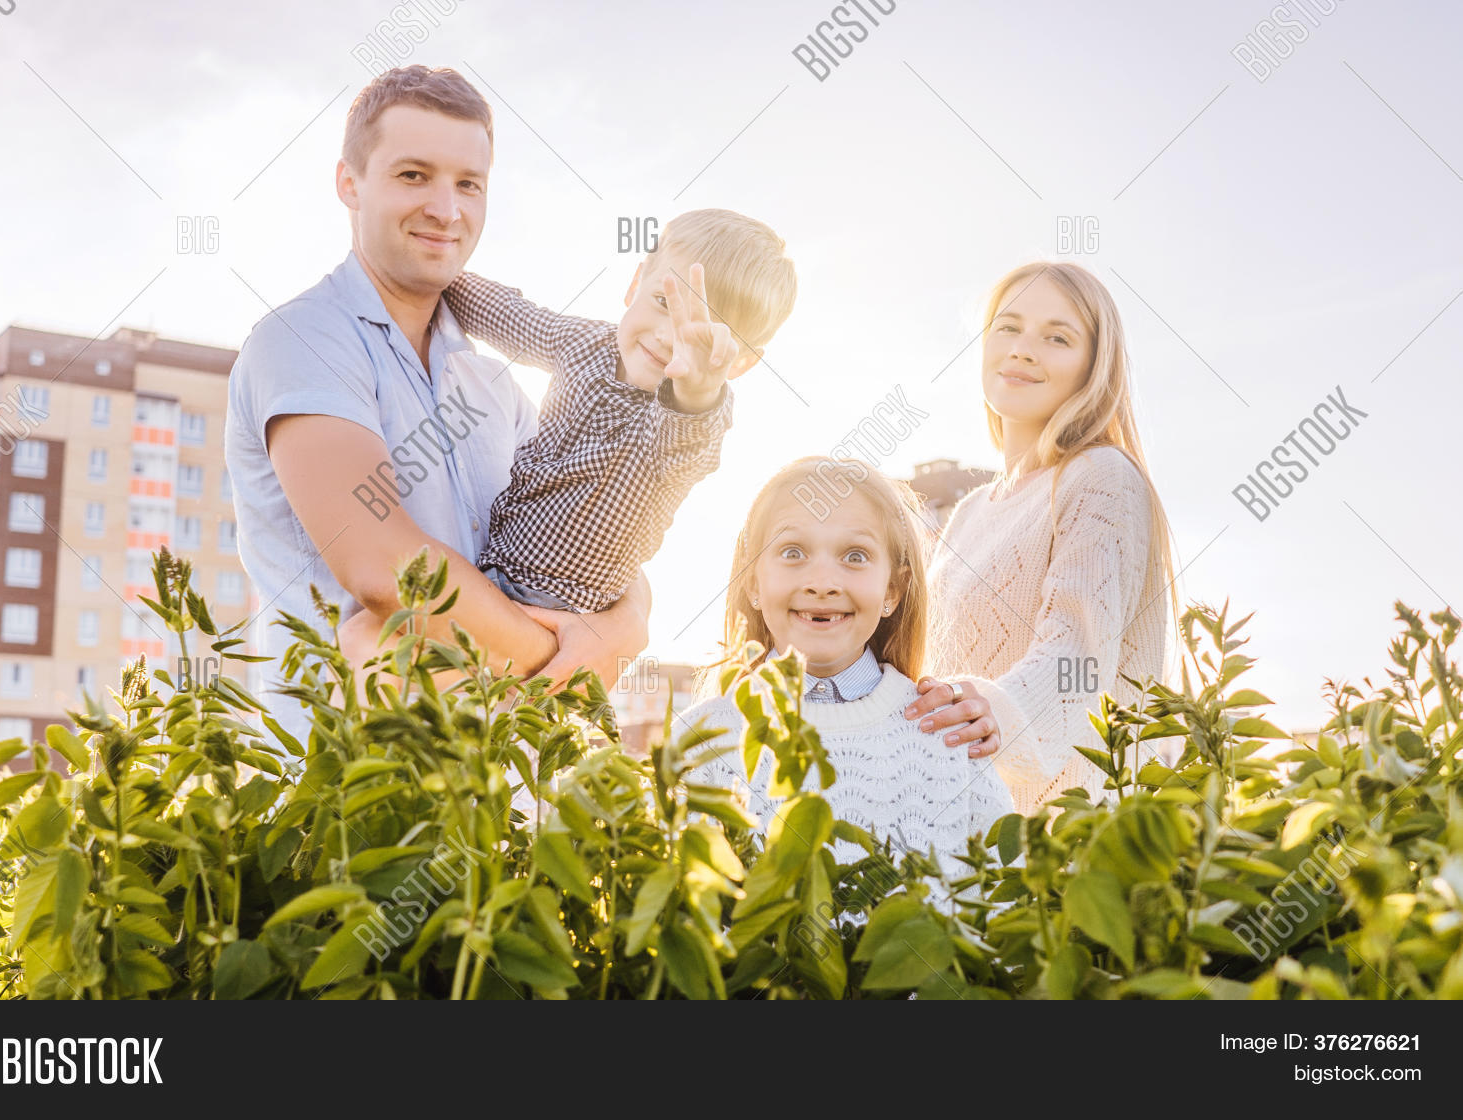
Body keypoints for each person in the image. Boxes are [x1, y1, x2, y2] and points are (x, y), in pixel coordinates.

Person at [224, 65, 649, 750]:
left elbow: (595, 527)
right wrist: (567, 664)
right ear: (349, 183)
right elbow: (384, 567)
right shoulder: (302, 341)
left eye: (468, 184)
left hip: (503, 789)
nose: (447, 210)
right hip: (350, 784)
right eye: (413, 175)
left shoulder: (494, 384)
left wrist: (626, 626)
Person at [903, 261, 1177, 816]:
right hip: (956, 830)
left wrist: (996, 711)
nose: (1023, 350)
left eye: (1057, 337)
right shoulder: (968, 512)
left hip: (1063, 834)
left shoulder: (1100, 476)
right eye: (1008, 327)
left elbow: (1079, 656)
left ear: (1093, 367)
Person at [438, 208, 797, 613]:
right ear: (635, 284)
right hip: (492, 563)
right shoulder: (587, 344)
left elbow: (690, 434)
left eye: (701, 336)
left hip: (560, 607)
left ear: (740, 362)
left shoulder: (681, 418)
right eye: (664, 302)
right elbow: (514, 318)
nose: (668, 337)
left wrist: (697, 389)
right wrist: (442, 275)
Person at [681, 457, 1011, 891]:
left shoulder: (949, 735)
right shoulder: (700, 740)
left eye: (855, 556)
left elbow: (1008, 902)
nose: (822, 583)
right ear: (753, 582)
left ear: (893, 589)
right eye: (792, 552)